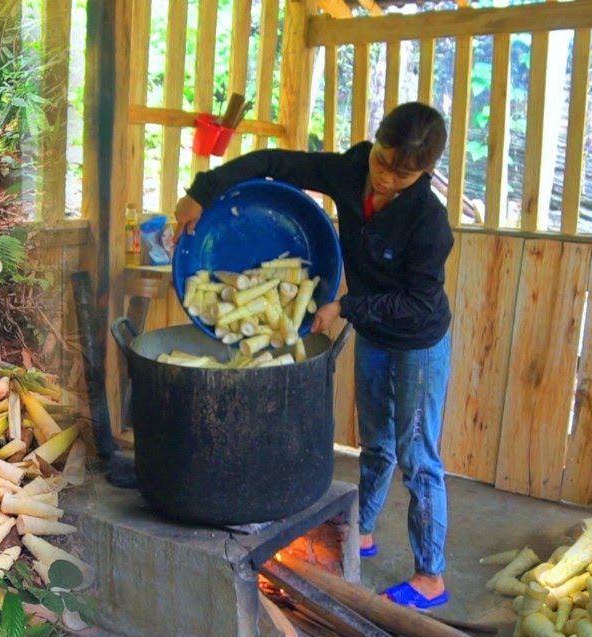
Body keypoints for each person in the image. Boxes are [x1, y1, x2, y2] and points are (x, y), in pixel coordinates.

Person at [173, 102, 455, 609]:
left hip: (418, 340)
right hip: (372, 329)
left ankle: (431, 575)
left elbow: (417, 302)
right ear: (376, 145)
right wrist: (203, 189)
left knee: (418, 457)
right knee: (376, 443)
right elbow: (274, 164)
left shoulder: (428, 221)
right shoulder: (352, 169)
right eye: (383, 162)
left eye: (403, 173)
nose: (387, 178)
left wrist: (345, 305)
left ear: (426, 171)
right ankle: (362, 531)